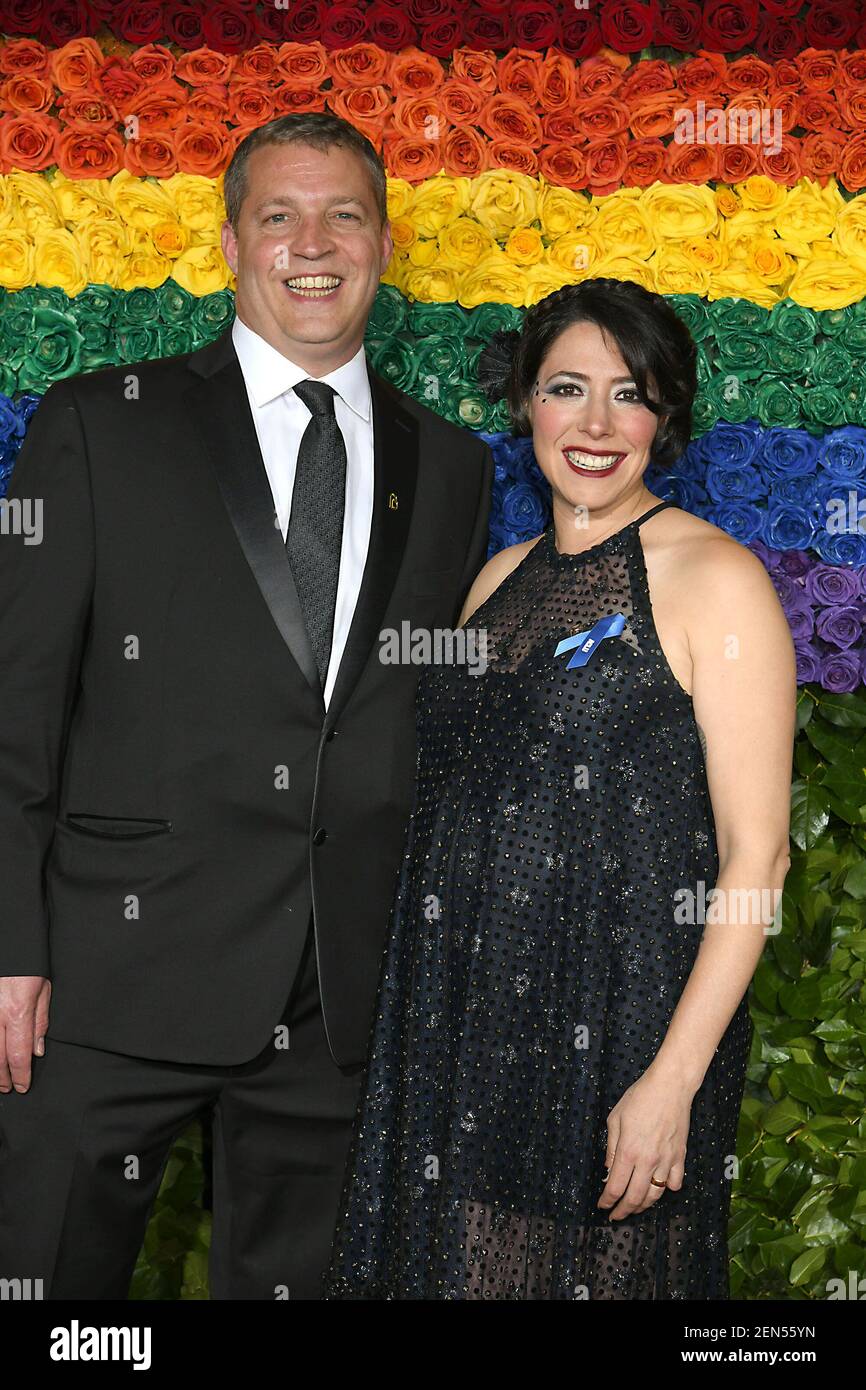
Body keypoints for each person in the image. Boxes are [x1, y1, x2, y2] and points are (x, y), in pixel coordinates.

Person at [0, 112, 492, 1300]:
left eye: (343, 215)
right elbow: (12, 706)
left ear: (384, 242)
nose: (310, 243)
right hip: (101, 977)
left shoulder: (453, 463)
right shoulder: (100, 421)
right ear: (229, 244)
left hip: (336, 995)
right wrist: (6, 947)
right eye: (279, 215)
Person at [323, 277, 797, 1300]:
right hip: (464, 1020)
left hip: (622, 1028)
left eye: (627, 394)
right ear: (523, 405)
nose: (592, 424)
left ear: (663, 418)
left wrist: (671, 1080)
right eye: (565, 388)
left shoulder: (714, 579)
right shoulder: (497, 579)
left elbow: (756, 857)